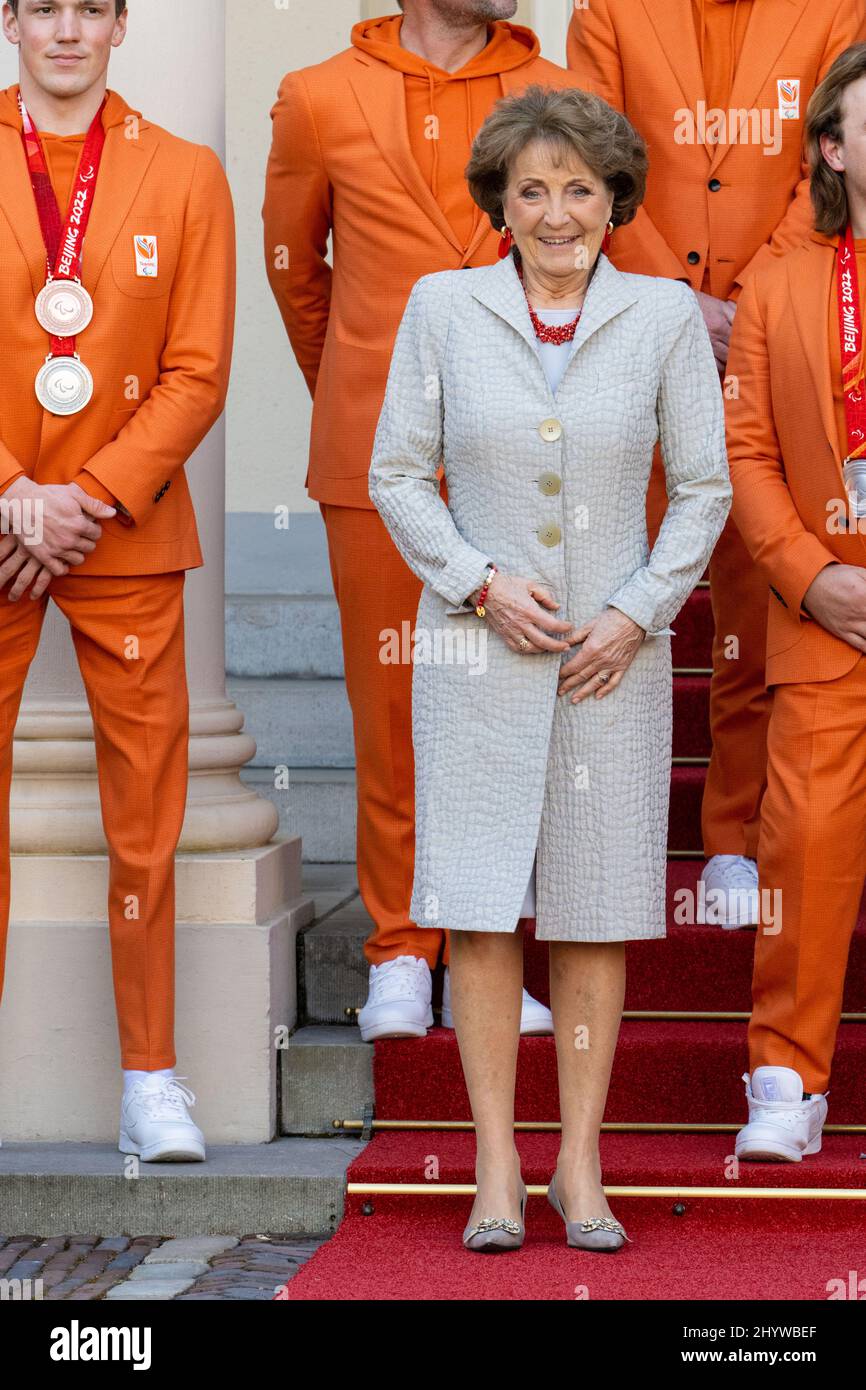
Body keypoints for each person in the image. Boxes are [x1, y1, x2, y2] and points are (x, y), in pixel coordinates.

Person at [368, 85, 730, 1249]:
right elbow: (396, 475)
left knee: (589, 913)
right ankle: (490, 1166)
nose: (556, 212)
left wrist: (634, 612)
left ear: (614, 199)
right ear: (500, 203)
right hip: (476, 654)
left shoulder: (665, 315)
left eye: (578, 188)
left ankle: (576, 1164)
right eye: (531, 190)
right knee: (477, 909)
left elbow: (705, 488)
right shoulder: (441, 307)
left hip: (606, 665)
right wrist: (474, 578)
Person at [263, 1, 586, 1044]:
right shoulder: (315, 97)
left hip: (523, 447)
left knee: (510, 708)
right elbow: (294, 273)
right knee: (391, 706)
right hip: (373, 452)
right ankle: (401, 948)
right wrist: (366, 394)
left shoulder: (555, 91)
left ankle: (486, 946)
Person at [568, 0, 866, 926]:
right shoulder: (607, 11)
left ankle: (732, 837)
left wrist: (752, 300)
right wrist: (675, 297)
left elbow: (824, 152)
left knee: (751, 592)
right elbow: (591, 151)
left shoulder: (835, 8)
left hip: (778, 325)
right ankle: (588, 839)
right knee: (605, 584)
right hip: (621, 328)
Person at [0, 0, 235, 1159]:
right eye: (42, 7)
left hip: (120, 529)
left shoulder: (186, 174)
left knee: (145, 820)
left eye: (88, 8)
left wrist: (80, 499)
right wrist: (12, 491)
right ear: (8, 20)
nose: (65, 30)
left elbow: (199, 371)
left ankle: (151, 1075)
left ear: (121, 25)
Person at [725, 43, 866, 1160]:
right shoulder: (772, 285)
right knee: (804, 848)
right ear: (831, 147)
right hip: (825, 614)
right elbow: (743, 451)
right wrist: (808, 573)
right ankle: (783, 1077)